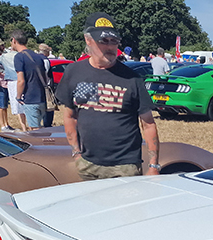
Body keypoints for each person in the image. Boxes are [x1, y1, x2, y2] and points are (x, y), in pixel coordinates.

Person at [56, 12, 160, 181]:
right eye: (103, 41)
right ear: (88, 40)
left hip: (125, 167)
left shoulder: (132, 78)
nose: (110, 47)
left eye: (114, 41)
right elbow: (69, 116)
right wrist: (76, 152)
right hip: (87, 165)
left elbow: (148, 124)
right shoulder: (74, 72)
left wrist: (154, 165)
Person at [12, 30, 47, 130]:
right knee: (40, 128)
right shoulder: (38, 56)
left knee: (35, 131)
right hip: (42, 98)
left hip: (30, 98)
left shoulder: (19, 57)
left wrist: (18, 96)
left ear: (14, 41)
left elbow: (21, 81)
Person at [0, 38, 27, 131]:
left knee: (17, 106)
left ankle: (24, 127)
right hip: (22, 79)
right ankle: (28, 126)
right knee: (24, 104)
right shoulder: (20, 55)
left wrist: (4, 71)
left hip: (11, 81)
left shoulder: (5, 56)